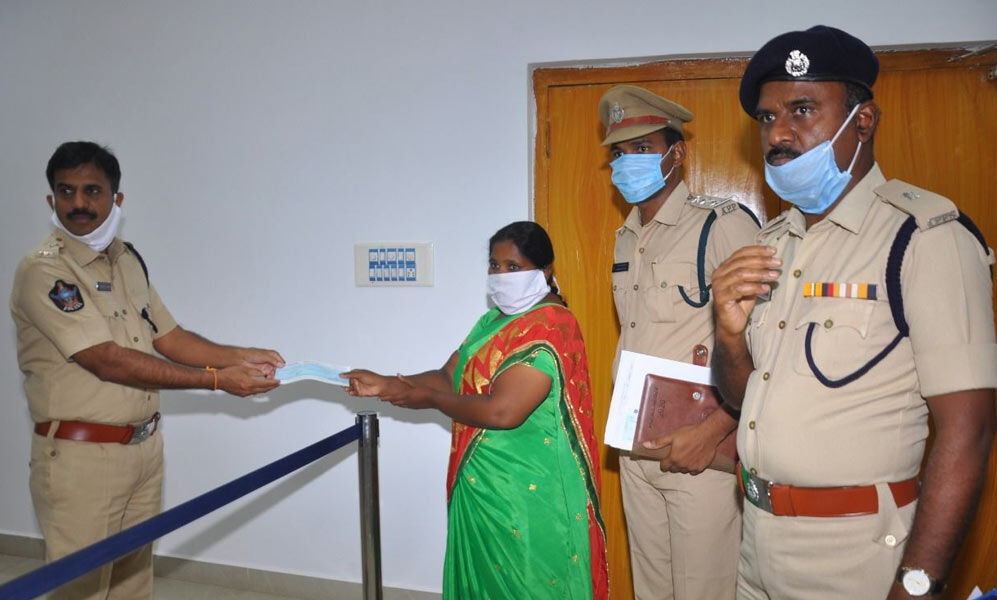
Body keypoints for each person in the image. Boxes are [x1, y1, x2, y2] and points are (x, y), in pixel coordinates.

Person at [706, 26, 997, 599]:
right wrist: (730, 336)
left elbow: (970, 430)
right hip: (758, 542)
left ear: (862, 120)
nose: (780, 133)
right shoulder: (771, 244)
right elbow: (743, 401)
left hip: (859, 553)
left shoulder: (923, 238)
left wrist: (918, 585)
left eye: (803, 109)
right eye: (767, 118)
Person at [10, 141, 285, 600]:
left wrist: (237, 355)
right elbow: (106, 359)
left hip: (142, 449)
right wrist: (217, 381)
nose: (78, 203)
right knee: (82, 590)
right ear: (50, 199)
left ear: (116, 199)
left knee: (133, 584)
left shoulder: (126, 259)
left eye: (92, 191)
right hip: (81, 458)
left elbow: (169, 338)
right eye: (66, 191)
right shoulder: (44, 272)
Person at [343, 221, 609, 600]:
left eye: (512, 267)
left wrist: (430, 400)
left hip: (529, 497)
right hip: (481, 488)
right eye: (494, 265)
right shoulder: (493, 320)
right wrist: (387, 384)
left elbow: (503, 412)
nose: (500, 276)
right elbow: (449, 375)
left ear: (545, 271)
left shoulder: (553, 325)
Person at [597, 85, 760, 599]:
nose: (627, 164)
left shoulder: (722, 225)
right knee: (651, 590)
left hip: (700, 451)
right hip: (636, 446)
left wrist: (713, 431)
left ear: (677, 153)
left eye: (641, 149)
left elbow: (763, 348)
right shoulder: (628, 236)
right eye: (618, 154)